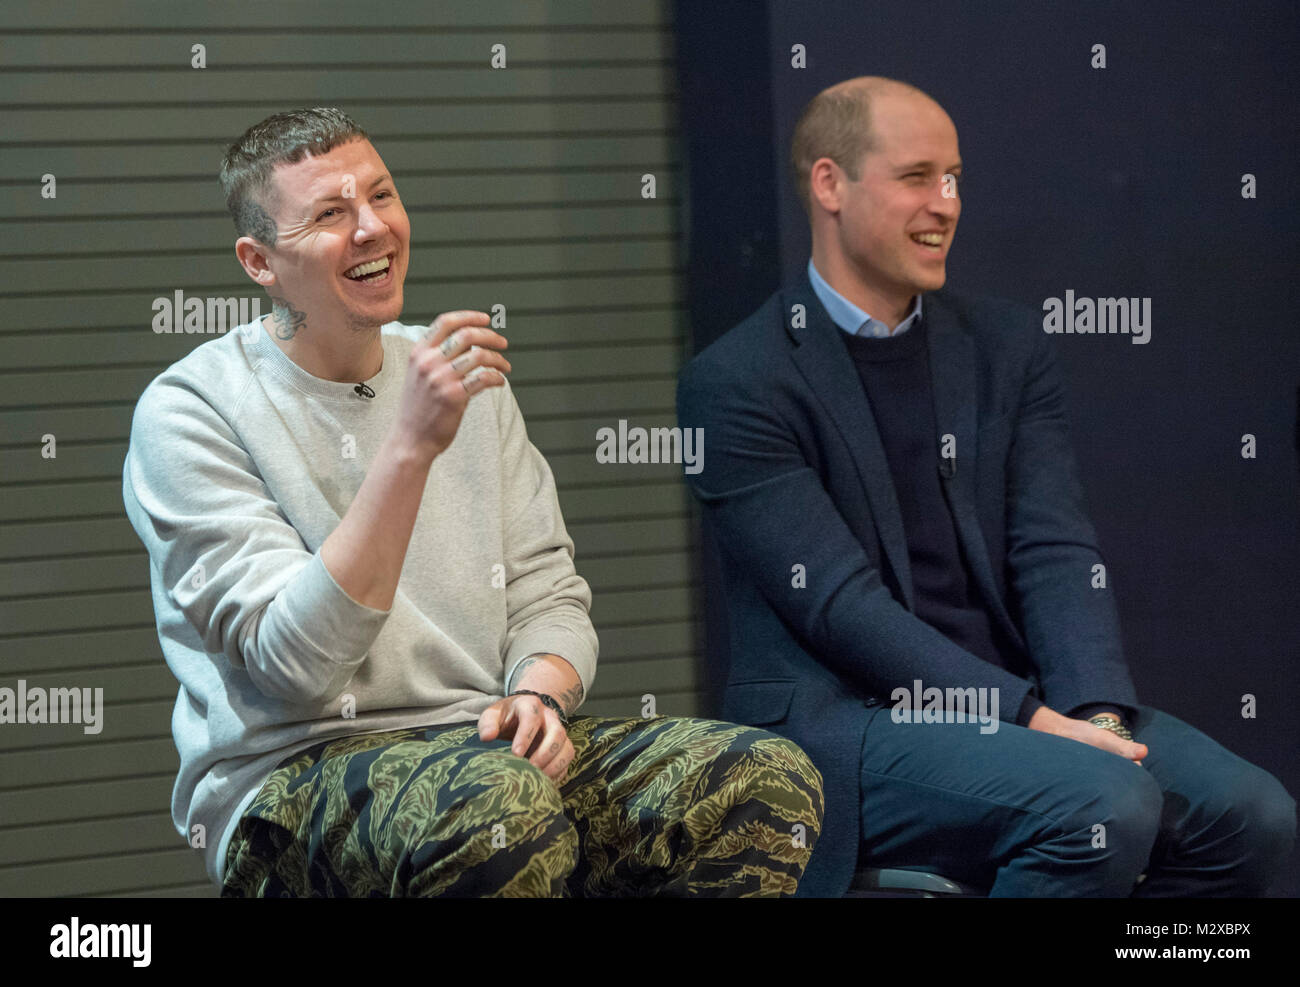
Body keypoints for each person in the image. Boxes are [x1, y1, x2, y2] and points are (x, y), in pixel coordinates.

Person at [121, 107, 823, 897]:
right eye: (329, 214)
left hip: (484, 746)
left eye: (381, 197)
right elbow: (295, 667)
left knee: (760, 778)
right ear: (259, 262)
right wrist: (408, 449)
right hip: (289, 780)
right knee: (500, 807)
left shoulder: (456, 376)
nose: (371, 229)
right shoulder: (191, 411)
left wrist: (537, 694)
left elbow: (547, 591)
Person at [675, 77, 1295, 897]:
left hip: (1024, 700)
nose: (946, 203)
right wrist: (1036, 723)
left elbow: (1055, 551)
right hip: (852, 723)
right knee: (1100, 805)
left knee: (1257, 815)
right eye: (917, 176)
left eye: (956, 177)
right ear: (830, 183)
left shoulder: (1006, 346)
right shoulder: (736, 383)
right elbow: (838, 607)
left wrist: (1095, 714)